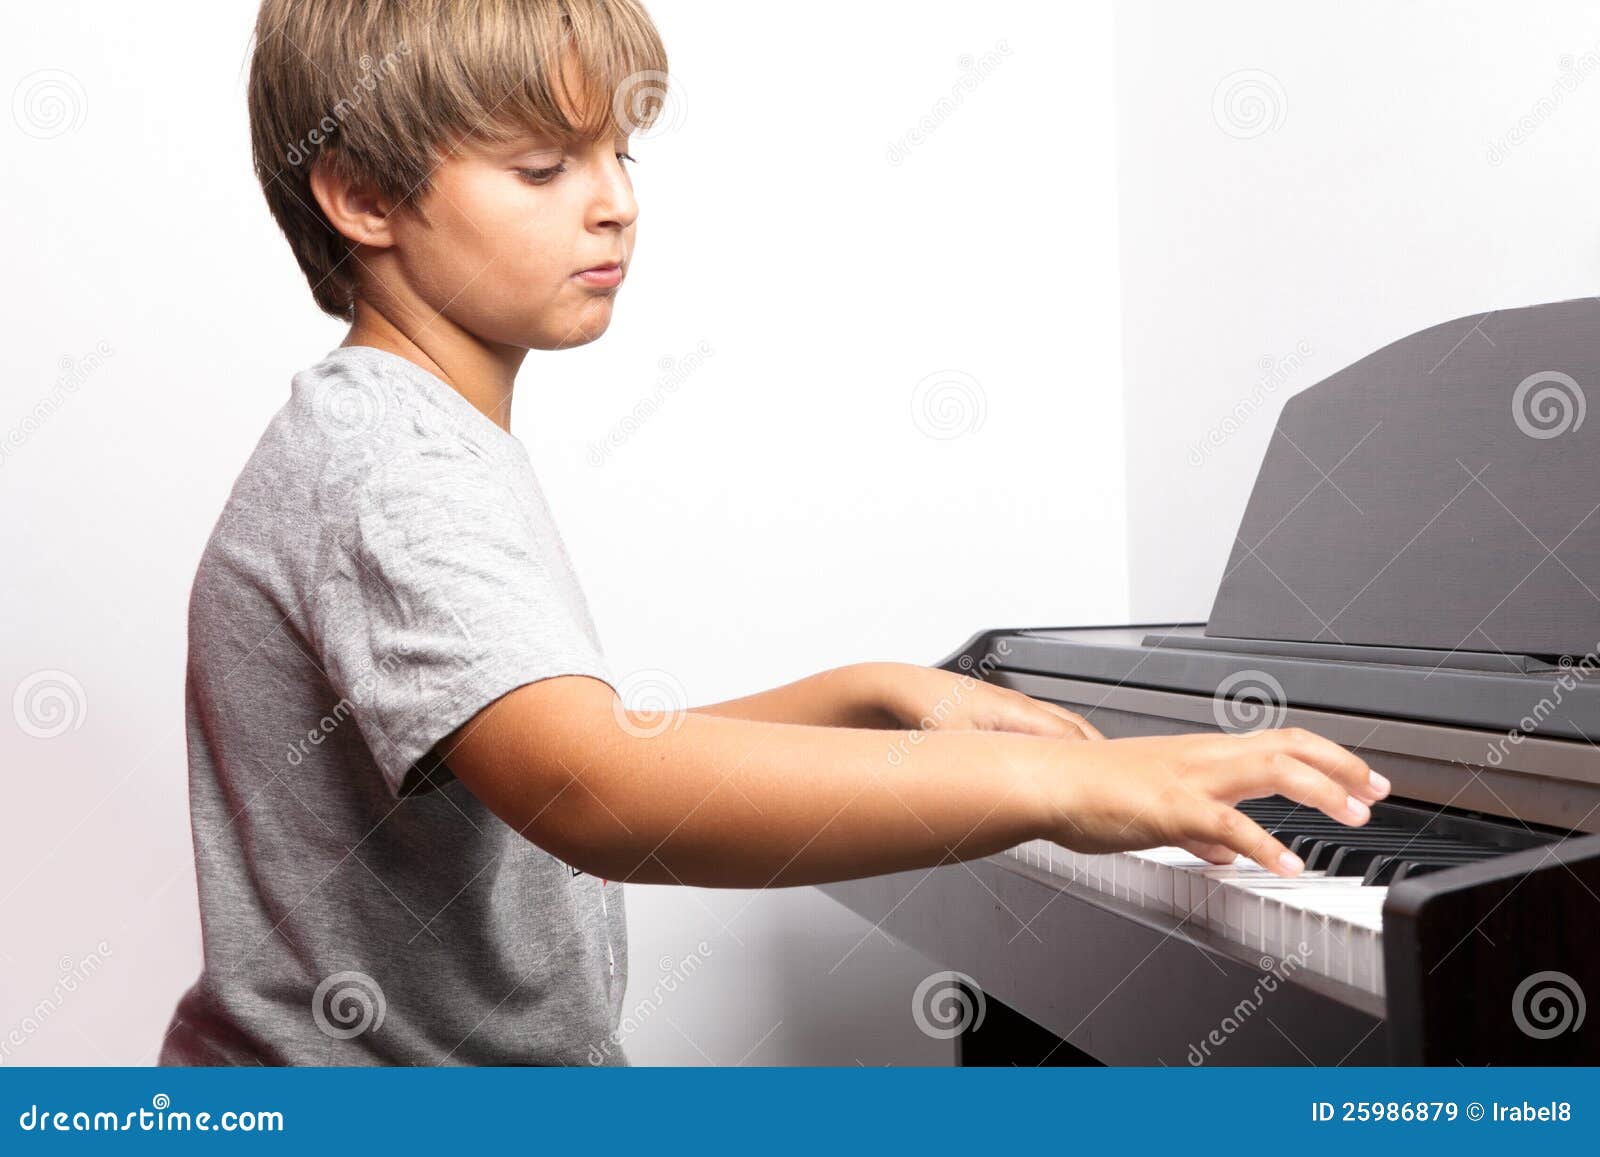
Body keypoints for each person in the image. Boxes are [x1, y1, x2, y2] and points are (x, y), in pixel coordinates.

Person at [159, 0, 1385, 1067]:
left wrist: (863, 690)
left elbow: (568, 741)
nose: (616, 205)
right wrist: (1058, 783)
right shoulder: (396, 470)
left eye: (619, 154)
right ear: (365, 195)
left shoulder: (405, 435)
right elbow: (600, 790)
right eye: (544, 167)